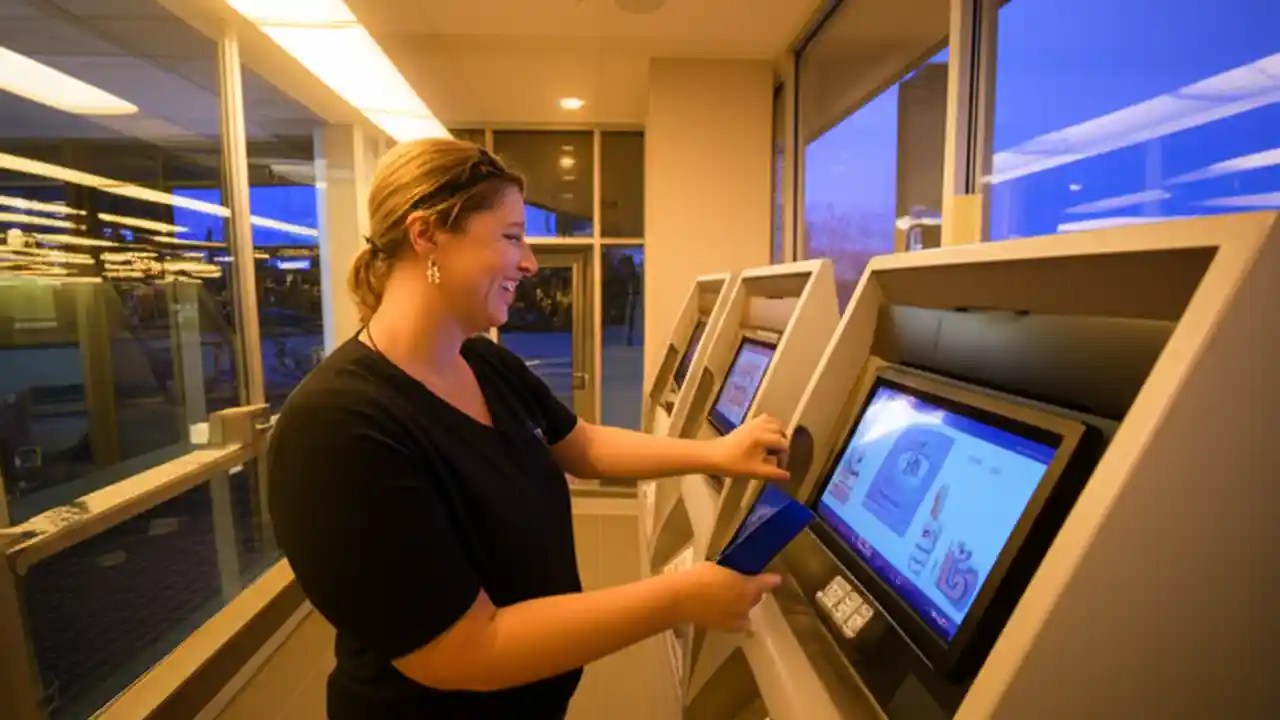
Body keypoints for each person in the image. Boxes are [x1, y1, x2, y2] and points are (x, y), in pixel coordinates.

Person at [267, 138, 790, 719]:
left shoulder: (485, 363)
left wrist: (716, 453)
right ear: (427, 235)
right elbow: (462, 650)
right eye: (511, 236)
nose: (530, 262)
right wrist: (679, 596)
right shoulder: (338, 428)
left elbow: (584, 444)